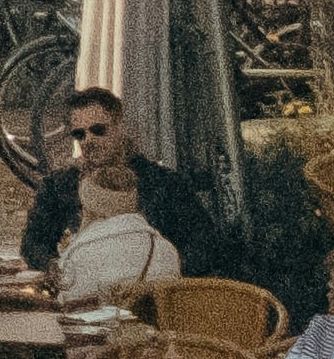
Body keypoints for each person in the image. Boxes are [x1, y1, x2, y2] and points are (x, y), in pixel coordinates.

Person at [20, 89, 215, 298]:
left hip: (153, 301)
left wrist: (158, 279)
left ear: (119, 127)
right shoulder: (59, 187)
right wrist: (52, 266)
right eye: (80, 134)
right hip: (84, 298)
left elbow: (203, 243)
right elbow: (33, 241)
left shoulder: (164, 183)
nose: (88, 140)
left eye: (98, 130)